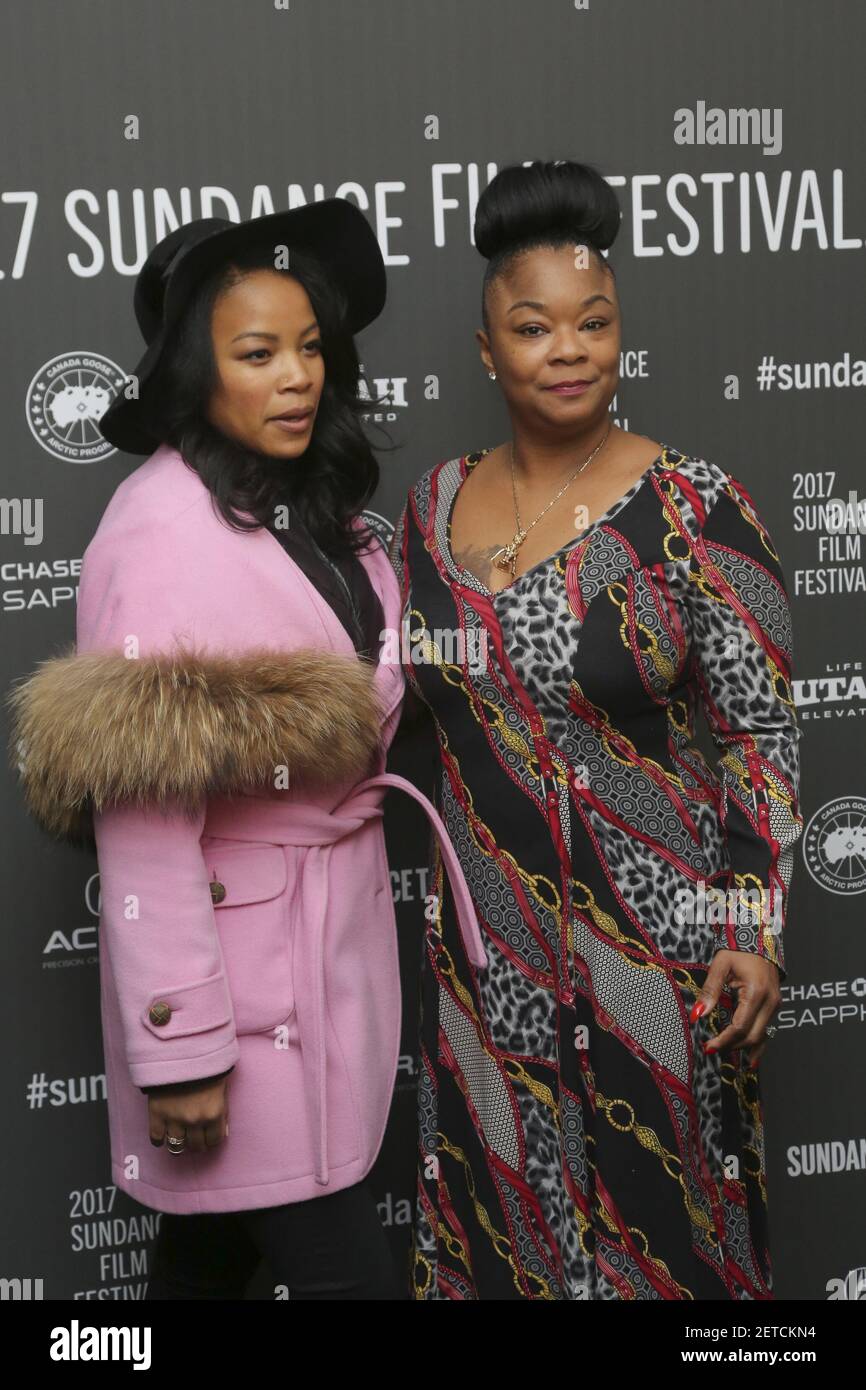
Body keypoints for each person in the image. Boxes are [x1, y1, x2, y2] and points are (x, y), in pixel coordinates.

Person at [7, 201, 486, 1300]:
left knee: (207, 1263)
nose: (296, 377)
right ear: (196, 372)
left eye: (310, 347)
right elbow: (139, 819)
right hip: (241, 995)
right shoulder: (157, 528)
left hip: (327, 961)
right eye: (257, 353)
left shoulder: (315, 510)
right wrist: (177, 1047)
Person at [388, 160, 803, 1300]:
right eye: (532, 326)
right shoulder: (426, 512)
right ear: (486, 349)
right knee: (503, 1235)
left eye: (592, 322)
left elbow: (755, 733)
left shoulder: (693, 505)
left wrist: (749, 926)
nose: (565, 348)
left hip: (656, 966)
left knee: (659, 1251)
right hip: (485, 966)